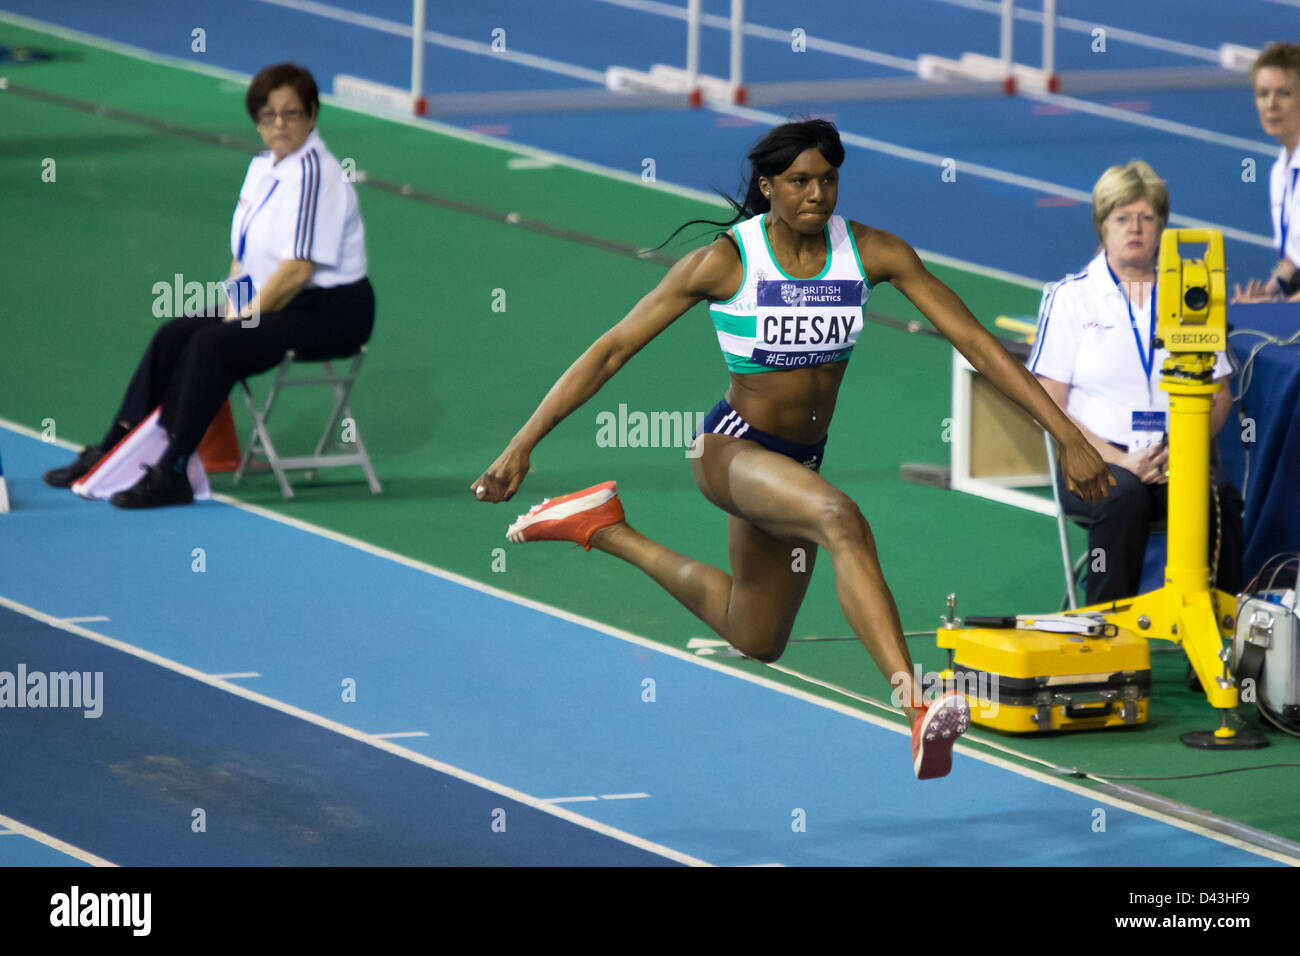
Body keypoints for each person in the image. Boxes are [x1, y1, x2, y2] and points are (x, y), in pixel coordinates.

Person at [471, 119, 1113, 780]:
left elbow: (977, 344)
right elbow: (610, 350)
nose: (816, 195)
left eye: (828, 180)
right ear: (767, 185)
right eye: (800, 182)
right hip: (731, 451)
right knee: (840, 521)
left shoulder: (873, 252)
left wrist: (1066, 437)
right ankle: (916, 706)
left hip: (798, 465)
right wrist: (522, 445)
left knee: (755, 634)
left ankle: (602, 527)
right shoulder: (726, 261)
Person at [43, 62, 374, 507]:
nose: (278, 124)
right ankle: (111, 449)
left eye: (290, 113)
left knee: (213, 344)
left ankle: (173, 469)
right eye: (267, 114)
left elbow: (298, 270)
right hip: (275, 299)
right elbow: (244, 257)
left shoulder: (319, 175)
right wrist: (236, 306)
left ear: (312, 115)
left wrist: (241, 316)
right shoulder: (262, 169)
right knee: (174, 334)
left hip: (330, 312)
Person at [1028, 161, 1243, 607]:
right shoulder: (1069, 298)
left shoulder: (1191, 295)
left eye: (1147, 218)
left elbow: (1219, 393)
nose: (1136, 229)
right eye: (1122, 218)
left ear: (1162, 226)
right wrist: (1117, 459)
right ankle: (1105, 639)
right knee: (1121, 496)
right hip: (1096, 461)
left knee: (1217, 494)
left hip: (1173, 453)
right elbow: (1047, 404)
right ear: (1102, 225)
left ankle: (1223, 645)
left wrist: (1180, 450)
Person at [1232, 42, 1300, 304]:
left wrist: (1273, 311)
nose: (1271, 104)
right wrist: (1268, 291)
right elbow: (1294, 257)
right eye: (1263, 94)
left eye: (1284, 93)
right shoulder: (1279, 171)